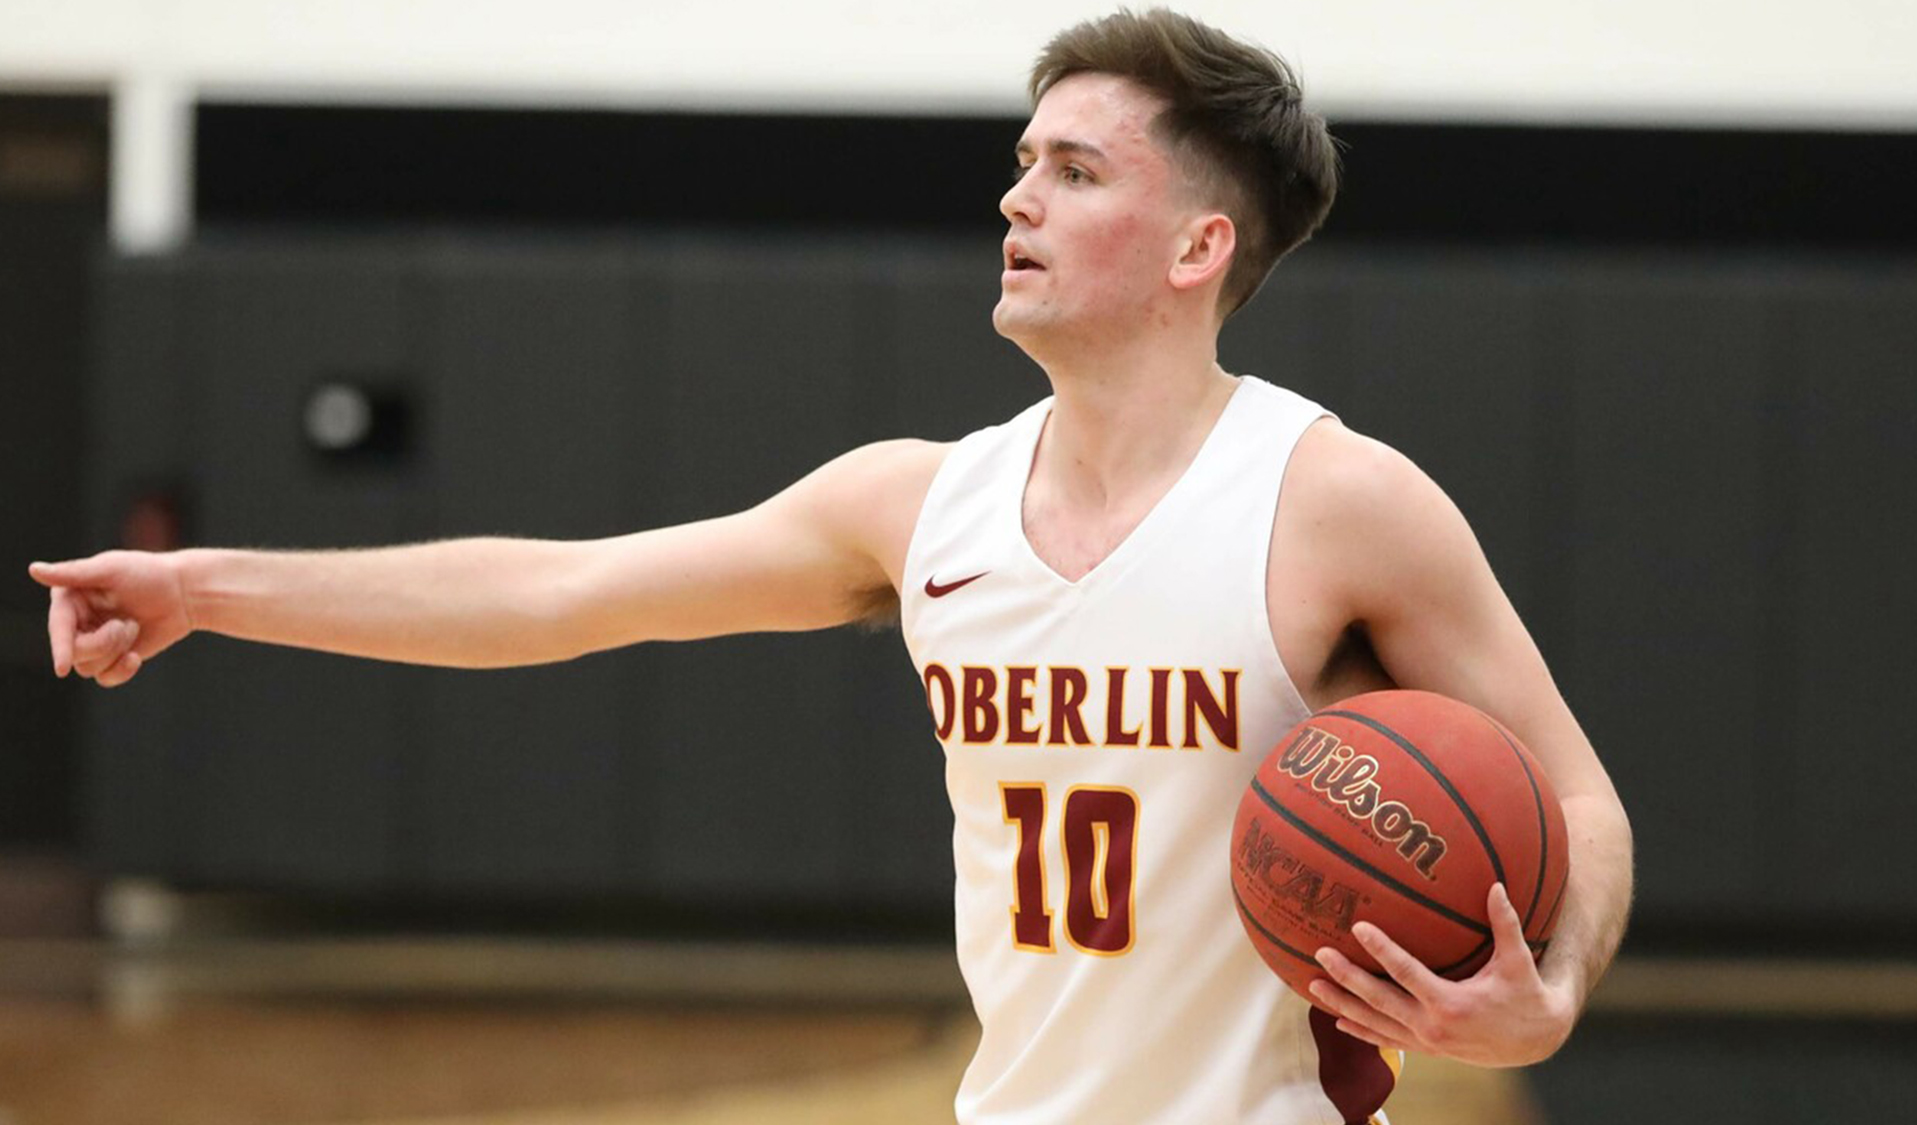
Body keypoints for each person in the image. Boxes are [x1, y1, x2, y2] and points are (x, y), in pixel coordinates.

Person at [31, 9, 1632, 1124]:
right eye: (1022, 160)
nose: (1017, 194)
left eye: (1078, 169)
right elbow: (556, 592)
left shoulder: (1335, 498)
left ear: (1200, 247)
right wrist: (204, 588)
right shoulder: (915, 506)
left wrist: (1547, 992)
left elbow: (1575, 800)